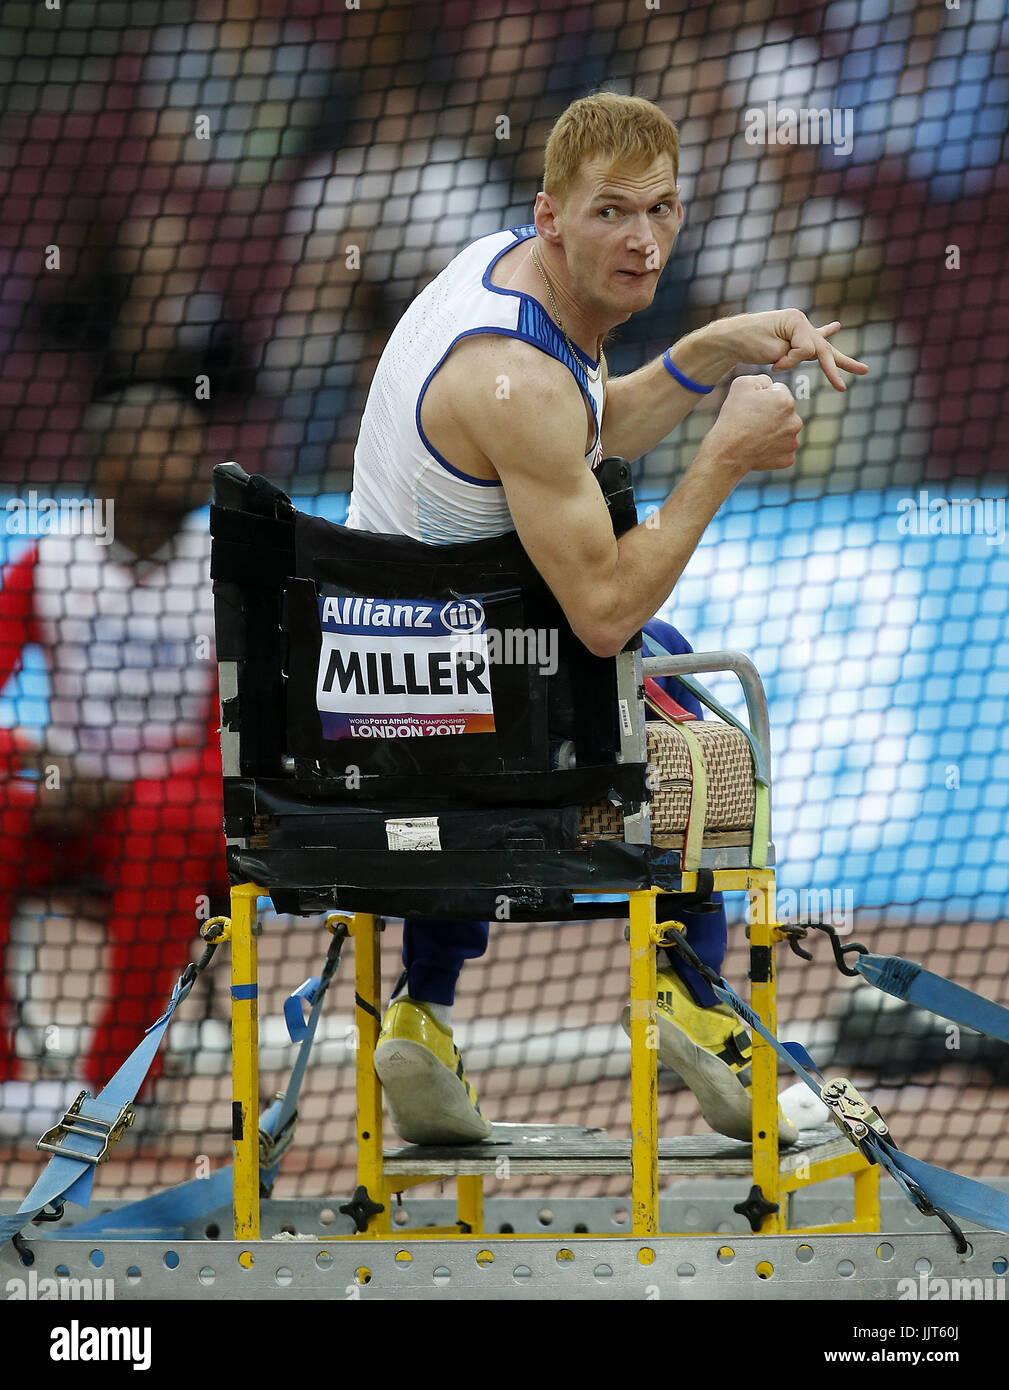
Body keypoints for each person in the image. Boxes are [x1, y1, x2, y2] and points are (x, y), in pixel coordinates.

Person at [345, 91, 868, 1147]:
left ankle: (421, 1007)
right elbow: (599, 610)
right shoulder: (517, 378)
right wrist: (720, 459)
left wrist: (709, 350)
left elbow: (581, 426)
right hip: (458, 730)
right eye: (611, 213)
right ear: (551, 216)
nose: (641, 239)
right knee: (695, 707)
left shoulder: (500, 277)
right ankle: (693, 994)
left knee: (654, 658)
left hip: (364, 687)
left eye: (662, 210)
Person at [0, 383, 224, 1137]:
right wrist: (36, 759)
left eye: (191, 438)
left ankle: (119, 1088)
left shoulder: (226, 573)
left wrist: (137, 791)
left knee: (164, 819)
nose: (192, 455)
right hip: (72, 807)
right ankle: (5, 1086)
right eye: (166, 440)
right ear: (109, 466)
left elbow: (242, 736)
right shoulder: (49, 565)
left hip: (184, 820)